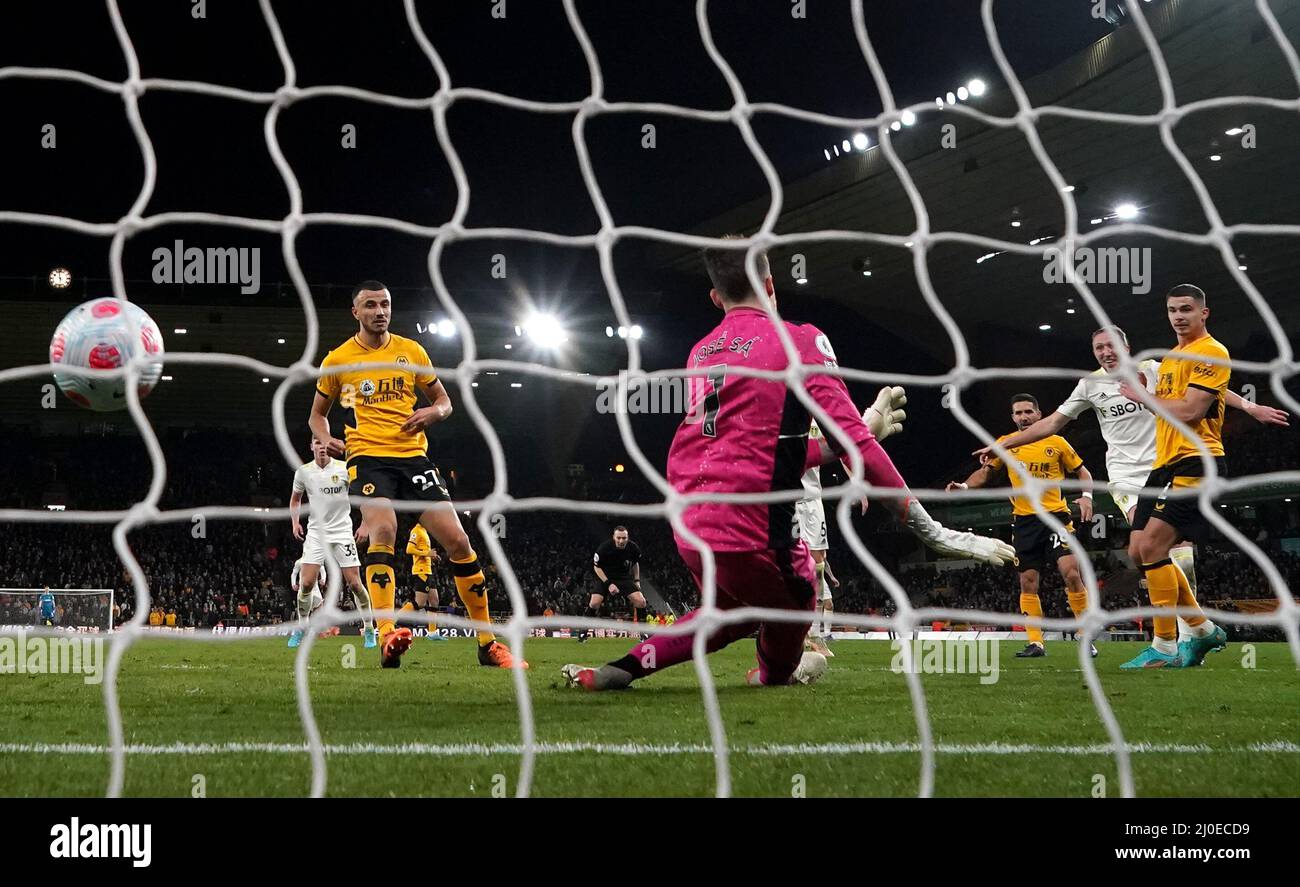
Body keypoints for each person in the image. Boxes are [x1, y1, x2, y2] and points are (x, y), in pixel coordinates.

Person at [562, 236, 1013, 691]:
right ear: (771, 284)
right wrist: (930, 529)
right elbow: (853, 441)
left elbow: (761, 452)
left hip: (687, 520)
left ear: (716, 298)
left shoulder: (700, 352)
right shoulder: (800, 340)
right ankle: (774, 676)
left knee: (732, 615)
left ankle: (618, 671)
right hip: (751, 529)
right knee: (799, 600)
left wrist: (854, 435)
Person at [310, 280, 524, 669]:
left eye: (385, 304)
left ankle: (488, 645)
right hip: (368, 458)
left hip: (414, 459)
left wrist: (432, 412)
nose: (380, 311)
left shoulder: (411, 351)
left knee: (458, 541)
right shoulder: (338, 360)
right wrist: (326, 440)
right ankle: (389, 633)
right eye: (371, 305)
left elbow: (444, 401)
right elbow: (316, 415)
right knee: (385, 529)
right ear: (355, 312)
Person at [1117, 284, 1233, 668]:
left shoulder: (1212, 352)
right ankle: (1202, 630)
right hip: (1163, 464)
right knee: (1138, 551)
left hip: (1198, 462)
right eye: (1172, 310)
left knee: (1153, 548)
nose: (1178, 316)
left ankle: (1164, 647)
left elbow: (1189, 412)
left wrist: (1142, 397)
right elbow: (1165, 412)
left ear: (1205, 313)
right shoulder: (1171, 359)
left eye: (1186, 309)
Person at [950, 393, 1096, 658]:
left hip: (1056, 517)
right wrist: (963, 486)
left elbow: (1083, 472)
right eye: (1018, 413)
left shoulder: (1057, 442)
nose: (1023, 417)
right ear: (1013, 417)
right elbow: (985, 474)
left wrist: (1086, 497)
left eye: (1028, 412)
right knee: (1028, 582)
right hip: (1025, 522)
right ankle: (1035, 642)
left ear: (1039, 414)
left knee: (1071, 572)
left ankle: (1085, 635)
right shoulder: (1005, 444)